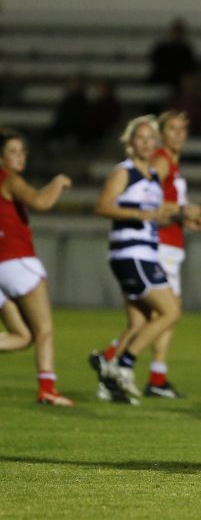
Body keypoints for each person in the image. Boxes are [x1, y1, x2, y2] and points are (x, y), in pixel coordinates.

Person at [97, 111, 201, 399]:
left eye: (183, 130)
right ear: (131, 142)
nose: (179, 135)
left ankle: (110, 374)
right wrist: (179, 212)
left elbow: (156, 213)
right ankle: (125, 364)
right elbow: (105, 205)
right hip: (140, 252)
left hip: (146, 248)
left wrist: (182, 217)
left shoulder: (151, 173)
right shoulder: (134, 169)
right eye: (172, 129)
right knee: (170, 311)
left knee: (141, 319)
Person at [0, 128, 74, 406]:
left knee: (22, 336)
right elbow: (41, 202)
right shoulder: (10, 180)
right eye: (13, 152)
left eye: (22, 152)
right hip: (18, 262)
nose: (20, 157)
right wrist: (58, 183)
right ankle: (47, 389)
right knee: (44, 329)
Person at [148, 17, 199, 91]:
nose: (177, 34)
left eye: (179, 32)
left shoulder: (186, 50)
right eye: (175, 31)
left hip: (177, 83)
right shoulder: (161, 48)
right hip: (161, 78)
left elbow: (190, 68)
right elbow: (154, 61)